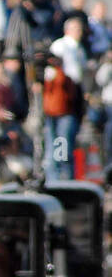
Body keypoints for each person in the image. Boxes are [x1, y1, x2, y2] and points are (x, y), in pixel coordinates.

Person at [40, 49, 82, 181]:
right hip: (50, 117)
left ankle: (65, 180)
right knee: (50, 153)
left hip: (64, 116)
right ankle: (53, 180)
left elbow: (65, 89)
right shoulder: (45, 77)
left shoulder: (63, 76)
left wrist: (56, 70)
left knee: (62, 151)